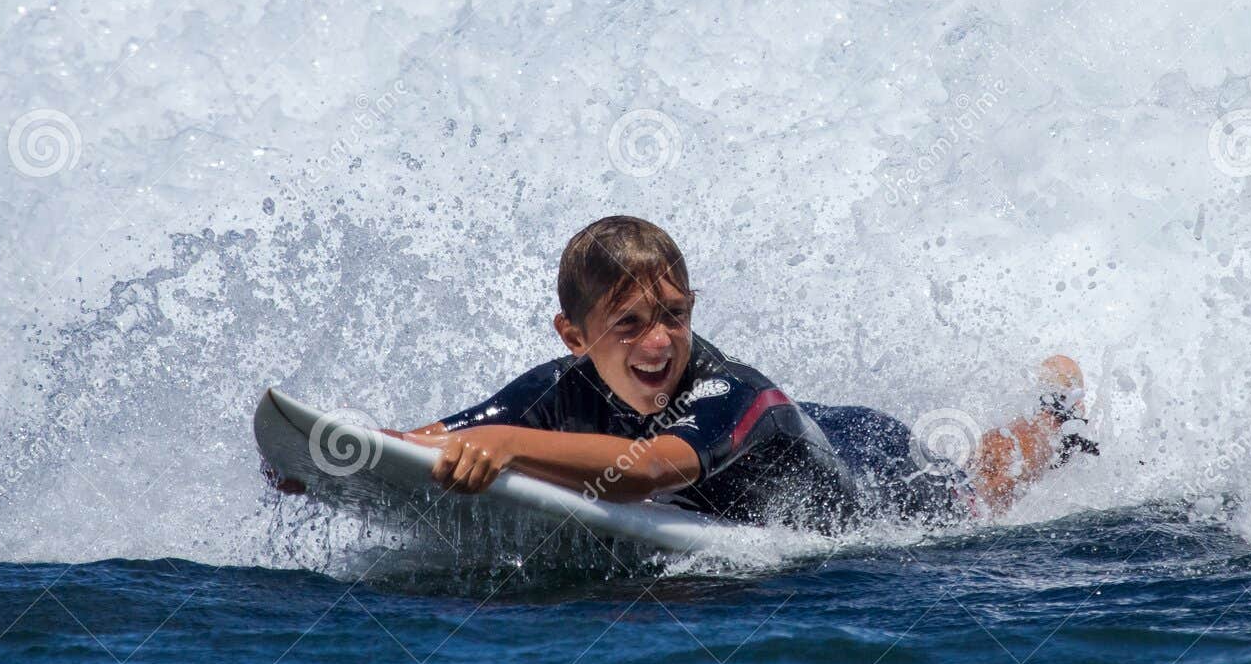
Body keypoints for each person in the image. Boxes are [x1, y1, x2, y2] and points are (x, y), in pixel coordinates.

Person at [400, 216, 1098, 532]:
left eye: (675, 314)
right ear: (575, 336)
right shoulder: (561, 385)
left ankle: (1052, 409)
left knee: (987, 483)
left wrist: (512, 446)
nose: (660, 340)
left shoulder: (726, 386)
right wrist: (321, 458)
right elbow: (430, 438)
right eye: (630, 323)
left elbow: (649, 469)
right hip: (790, 432)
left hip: (865, 467)